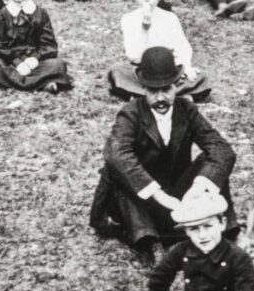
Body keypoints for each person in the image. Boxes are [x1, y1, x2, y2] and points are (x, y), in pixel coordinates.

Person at [89, 46, 237, 259]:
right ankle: (152, 242)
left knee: (212, 162)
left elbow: (221, 149)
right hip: (141, 201)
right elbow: (116, 153)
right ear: (142, 88)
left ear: (177, 86)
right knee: (115, 169)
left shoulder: (186, 110)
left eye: (166, 89)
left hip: (179, 197)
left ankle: (227, 231)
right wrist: (158, 194)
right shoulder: (130, 114)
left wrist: (199, 187)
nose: (160, 98)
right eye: (152, 90)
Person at [107, 0, 209, 102]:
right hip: (144, 70)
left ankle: (145, 96)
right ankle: (174, 96)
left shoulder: (170, 17)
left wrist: (186, 66)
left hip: (168, 70)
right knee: (117, 70)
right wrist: (145, 28)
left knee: (202, 77)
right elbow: (133, 55)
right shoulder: (128, 19)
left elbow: (181, 45)